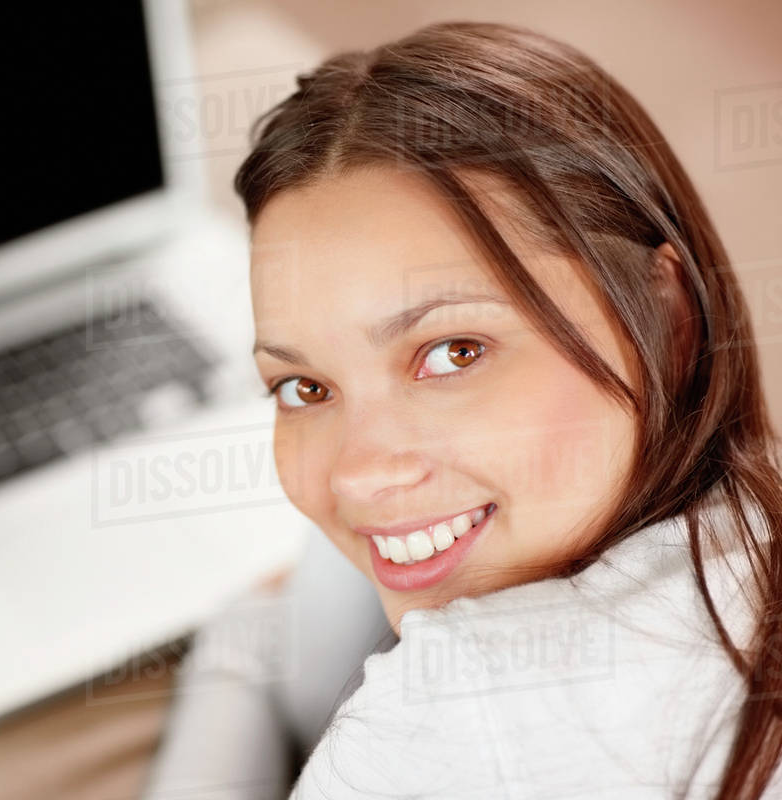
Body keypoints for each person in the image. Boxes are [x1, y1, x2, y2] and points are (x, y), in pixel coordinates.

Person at [148, 20, 782, 800]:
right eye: (303, 388)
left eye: (453, 352)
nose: (359, 474)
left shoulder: (447, 721)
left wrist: (231, 655)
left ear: (668, 315)